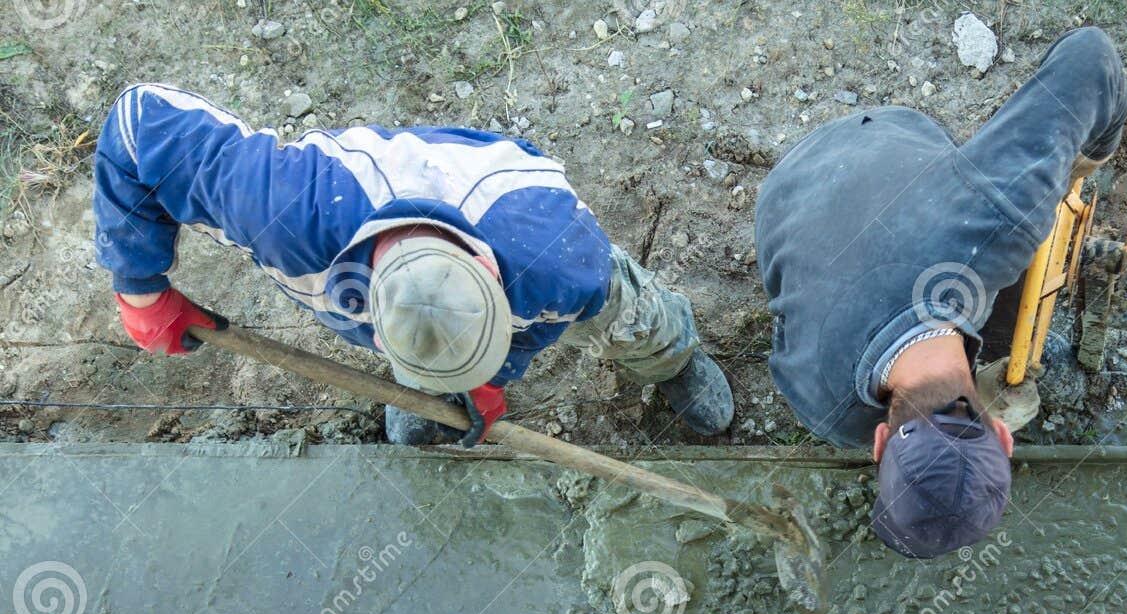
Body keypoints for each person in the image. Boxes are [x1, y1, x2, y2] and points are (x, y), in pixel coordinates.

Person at [92, 83, 734, 445]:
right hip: (364, 212)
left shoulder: (559, 261)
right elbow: (135, 126)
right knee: (431, 382)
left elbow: (543, 322)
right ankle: (433, 379)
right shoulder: (282, 207)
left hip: (509, 206)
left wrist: (497, 372)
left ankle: (676, 359)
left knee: (631, 318)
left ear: (490, 270)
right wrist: (139, 283)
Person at [755, 27, 1127, 558]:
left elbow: (1090, 56)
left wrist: (1077, 166)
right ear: (879, 445)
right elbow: (785, 336)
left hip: (841, 163)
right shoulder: (826, 409)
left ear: (1002, 435)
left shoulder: (1000, 218)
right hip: (786, 192)